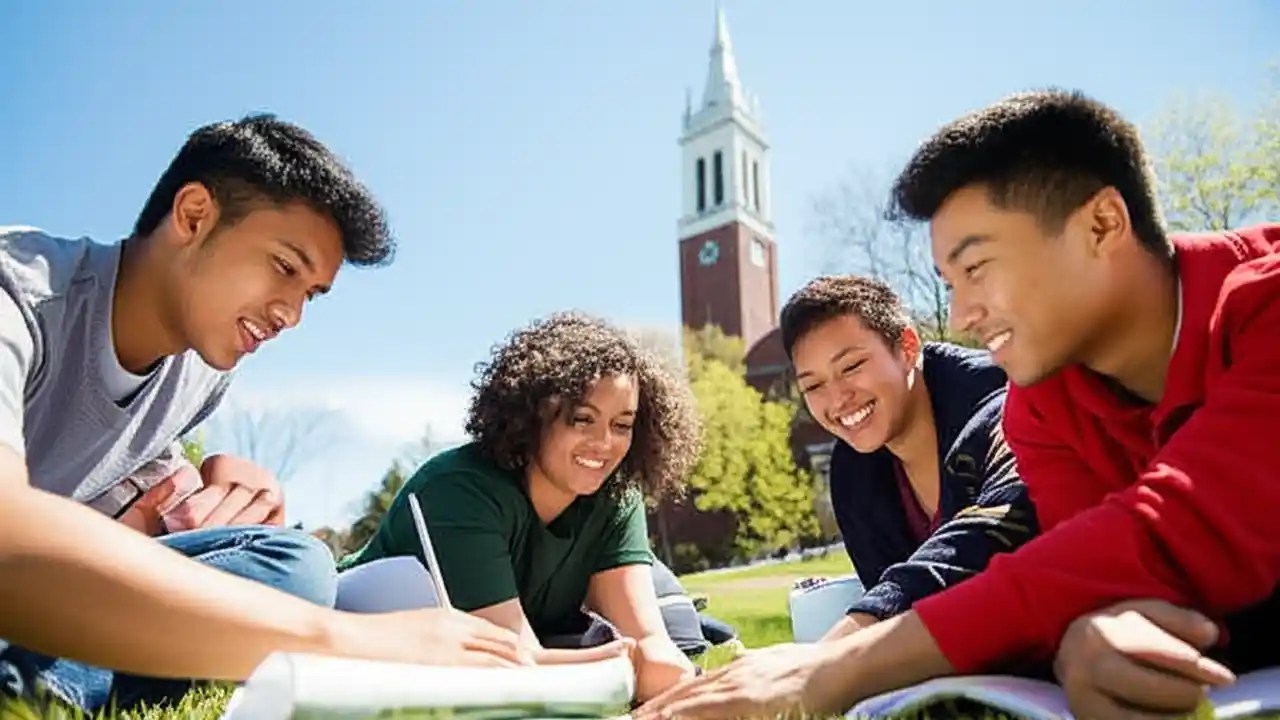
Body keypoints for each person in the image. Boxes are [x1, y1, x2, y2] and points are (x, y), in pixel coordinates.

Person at [634, 88, 1280, 720]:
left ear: (1101, 223)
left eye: (978, 269)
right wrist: (1093, 631)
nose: (965, 316)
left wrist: (832, 667)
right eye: (949, 282)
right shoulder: (1043, 408)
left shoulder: (1264, 302)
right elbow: (1084, 570)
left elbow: (1183, 523)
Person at [0, 114, 525, 714]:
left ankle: (44, 674)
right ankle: (36, 681)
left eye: (311, 294)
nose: (292, 315)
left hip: (33, 612)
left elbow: (109, 495)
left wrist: (202, 495)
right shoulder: (20, 293)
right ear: (193, 215)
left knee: (296, 562)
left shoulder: (201, 373)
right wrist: (355, 640)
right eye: (284, 268)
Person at [337, 312, 709, 703]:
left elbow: (648, 642)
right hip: (356, 635)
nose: (604, 443)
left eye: (622, 425)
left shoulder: (615, 497)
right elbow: (520, 671)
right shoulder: (460, 491)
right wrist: (618, 666)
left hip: (525, 651)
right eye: (582, 419)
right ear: (534, 415)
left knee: (678, 627)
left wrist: (699, 686)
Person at [779, 274, 1036, 642]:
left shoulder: (1004, 396)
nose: (837, 401)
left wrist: (833, 650)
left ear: (908, 347)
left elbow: (998, 530)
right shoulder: (853, 475)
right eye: (814, 386)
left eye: (851, 367)